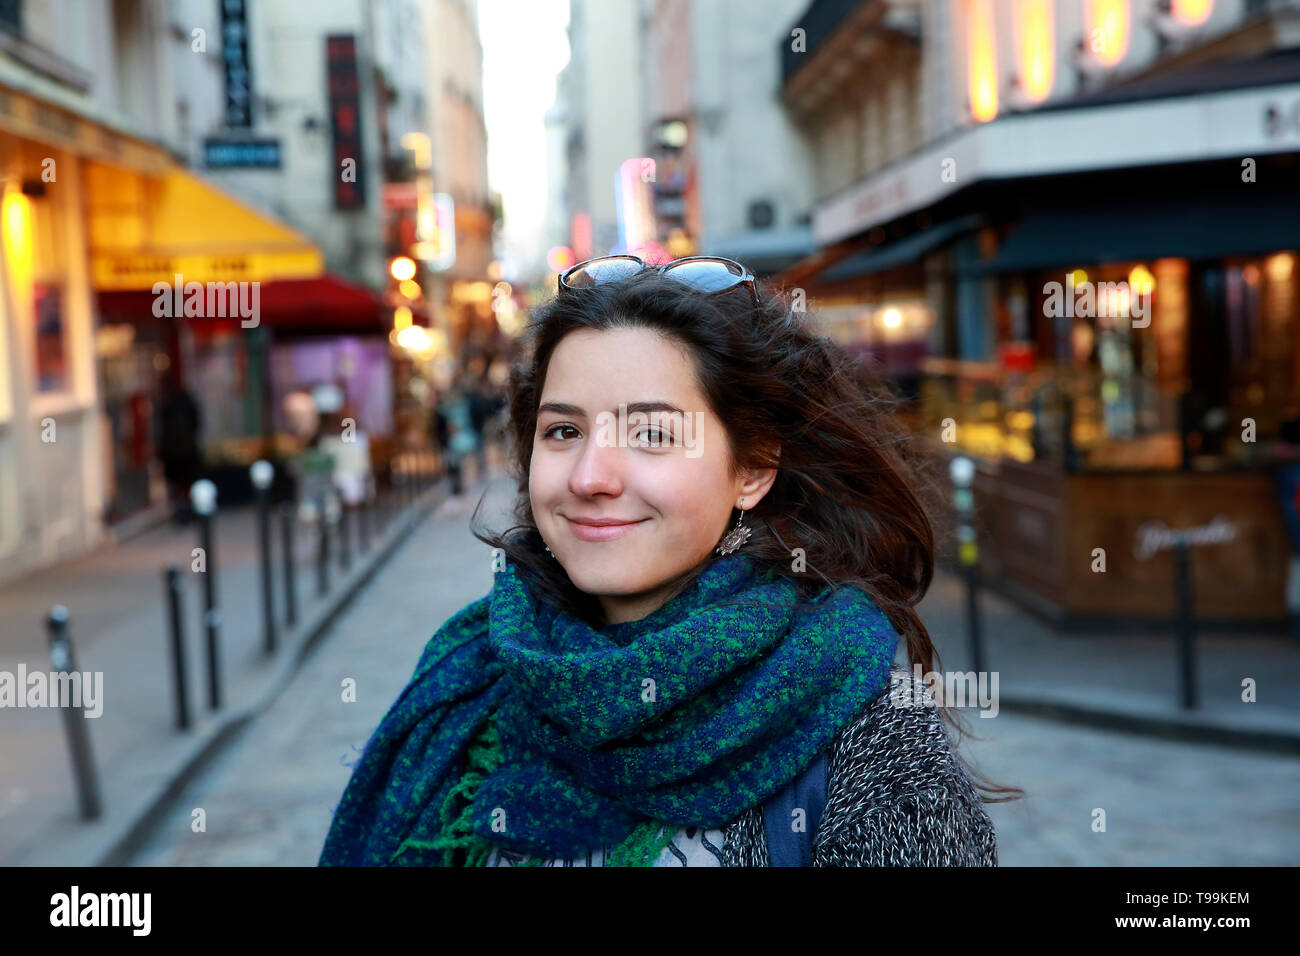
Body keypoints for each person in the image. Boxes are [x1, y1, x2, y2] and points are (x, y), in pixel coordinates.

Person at [319, 257, 1020, 867]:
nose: (591, 475)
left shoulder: (866, 737)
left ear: (753, 467)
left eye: (652, 434)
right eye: (563, 430)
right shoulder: (466, 679)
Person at [155, 369, 202, 523]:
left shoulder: (168, 402)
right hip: (184, 451)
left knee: (179, 484)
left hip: (176, 453)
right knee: (184, 483)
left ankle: (183, 511)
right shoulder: (180, 399)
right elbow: (196, 421)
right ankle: (186, 510)